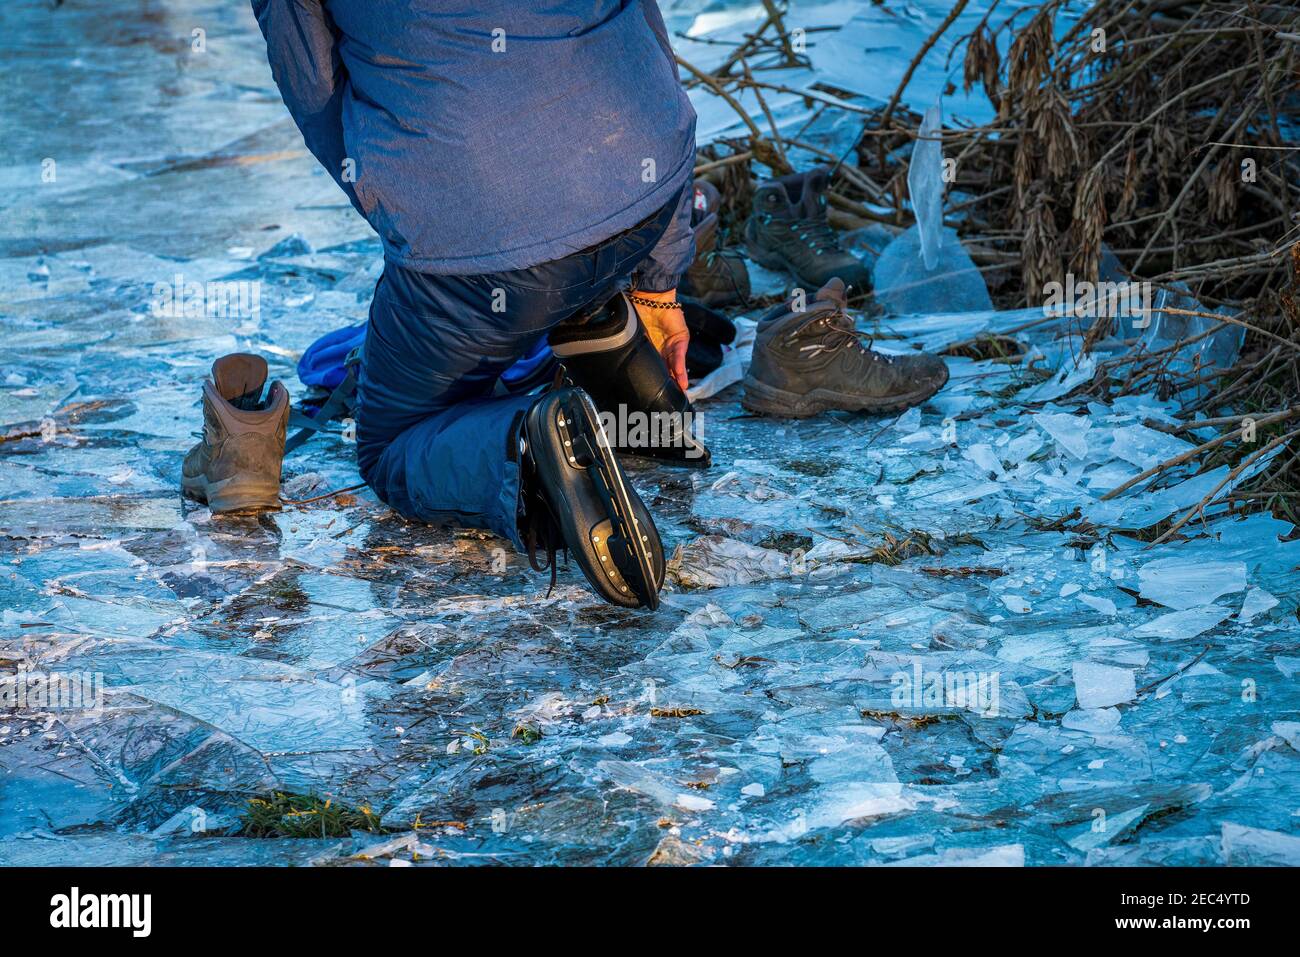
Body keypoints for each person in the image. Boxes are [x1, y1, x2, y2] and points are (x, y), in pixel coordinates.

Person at [244, 0, 706, 608]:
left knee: (390, 447)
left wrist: (422, 215)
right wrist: (658, 278)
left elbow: (316, 91)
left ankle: (530, 446)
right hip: (644, 189)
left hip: (484, 244)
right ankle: (603, 333)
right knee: (561, 226)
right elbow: (641, 33)